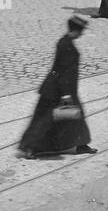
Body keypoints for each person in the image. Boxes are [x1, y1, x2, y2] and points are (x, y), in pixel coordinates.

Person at [18, 17, 96, 158]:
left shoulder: (65, 42)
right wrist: (66, 95)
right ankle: (29, 148)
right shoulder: (66, 45)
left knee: (76, 118)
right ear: (76, 31)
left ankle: (81, 144)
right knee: (44, 121)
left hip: (63, 89)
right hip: (57, 91)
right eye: (81, 31)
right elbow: (63, 72)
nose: (82, 34)